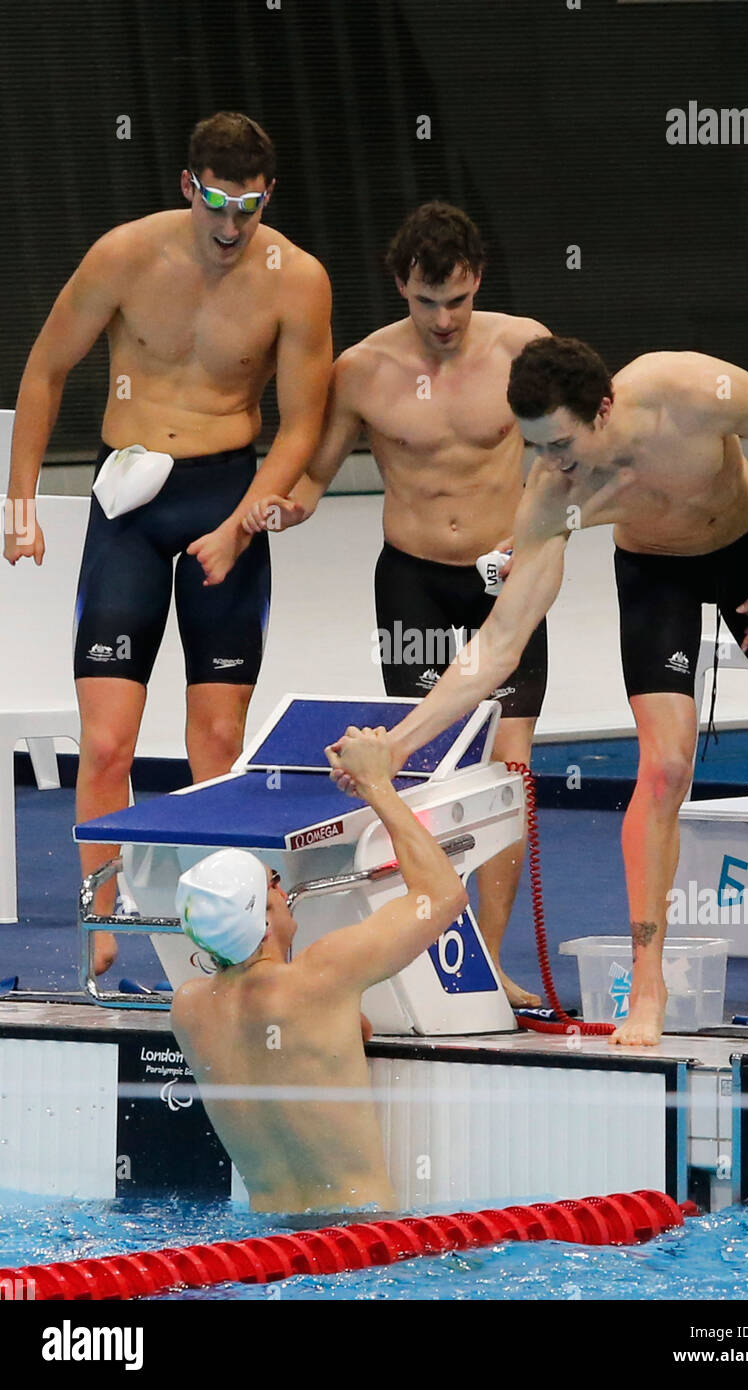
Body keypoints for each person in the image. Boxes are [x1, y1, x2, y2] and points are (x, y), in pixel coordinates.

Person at [329, 336, 748, 1046]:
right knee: (665, 768)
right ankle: (648, 982)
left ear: (604, 408)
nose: (551, 464)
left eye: (562, 445)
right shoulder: (553, 493)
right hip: (654, 579)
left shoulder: (689, 392)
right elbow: (496, 647)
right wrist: (395, 745)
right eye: (537, 447)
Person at [3, 112, 332, 973]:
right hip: (130, 510)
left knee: (216, 743)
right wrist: (21, 501)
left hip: (228, 495)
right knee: (107, 740)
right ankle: (103, 923)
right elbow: (44, 369)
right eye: (217, 204)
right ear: (189, 186)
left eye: (249, 209)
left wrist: (240, 524)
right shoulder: (124, 256)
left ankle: (215, 934)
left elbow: (302, 427)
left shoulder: (297, 281)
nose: (231, 229)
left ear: (270, 198)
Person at [243, 202, 549, 1007]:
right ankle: (432, 950)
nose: (443, 320)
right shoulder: (363, 370)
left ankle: (487, 958)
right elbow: (316, 473)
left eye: (456, 300)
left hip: (501, 581)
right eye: (425, 302)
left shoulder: (525, 349)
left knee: (508, 768)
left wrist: (541, 529)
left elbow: (570, 457)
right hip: (412, 583)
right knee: (425, 766)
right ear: (400, 288)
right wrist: (291, 506)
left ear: (478, 281)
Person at [170, 726, 467, 1214]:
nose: (285, 891)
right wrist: (376, 785)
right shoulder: (320, 976)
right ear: (266, 917)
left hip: (262, 1246)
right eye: (273, 884)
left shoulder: (189, 1008)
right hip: (360, 1243)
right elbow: (441, 894)